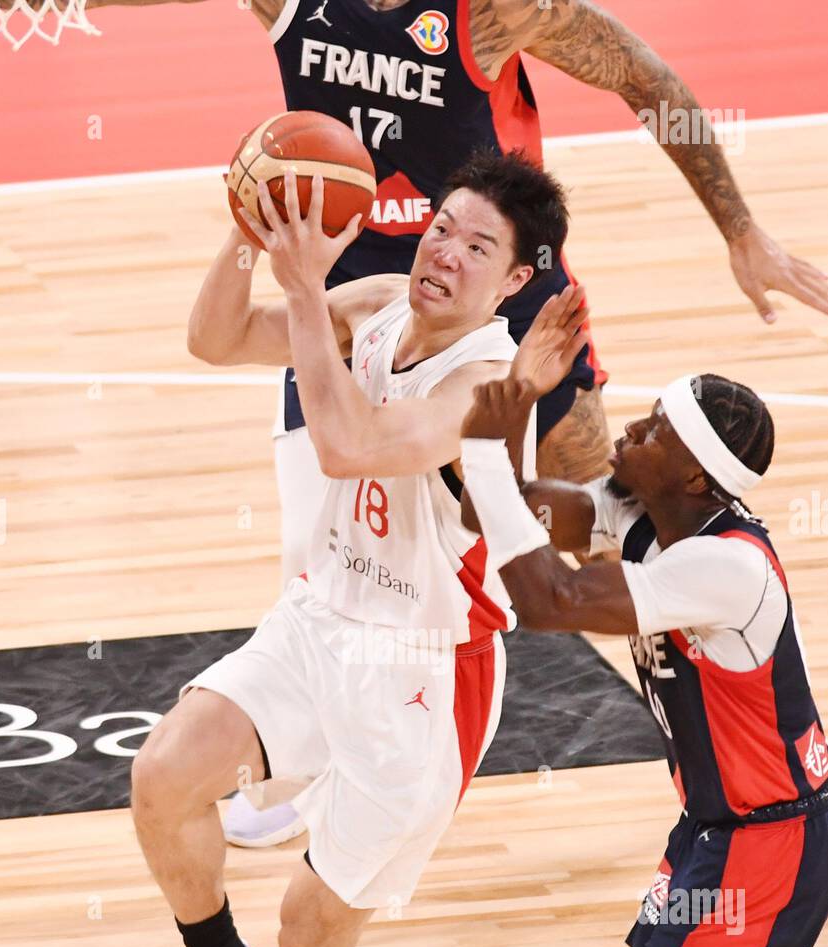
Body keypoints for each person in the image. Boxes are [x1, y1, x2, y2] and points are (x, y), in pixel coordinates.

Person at [95, 0, 828, 847]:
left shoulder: (494, 14)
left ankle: (749, 709)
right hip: (355, 288)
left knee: (607, 527)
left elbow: (642, 75)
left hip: (504, 296)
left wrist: (740, 231)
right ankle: (312, 755)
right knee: (319, 548)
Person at [124, 150, 572, 947]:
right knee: (161, 779)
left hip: (423, 676)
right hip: (323, 618)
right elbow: (213, 339)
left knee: (315, 926)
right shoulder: (374, 301)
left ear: (512, 283)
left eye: (479, 248)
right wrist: (255, 224)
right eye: (444, 228)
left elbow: (347, 445)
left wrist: (294, 288)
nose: (446, 254)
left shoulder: (483, 387)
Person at [456, 304, 828, 947]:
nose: (631, 430)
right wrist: (506, 408)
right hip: (721, 836)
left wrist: (490, 455)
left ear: (699, 478)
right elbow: (508, 510)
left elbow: (549, 601)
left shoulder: (723, 567)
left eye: (656, 429)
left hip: (763, 849)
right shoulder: (652, 511)